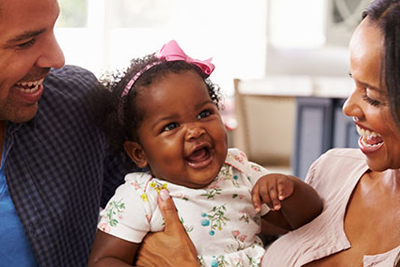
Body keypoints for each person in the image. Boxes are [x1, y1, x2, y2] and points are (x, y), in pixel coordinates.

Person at [133, 0, 400, 266]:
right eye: (352, 83)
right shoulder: (334, 169)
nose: (348, 107)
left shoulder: (238, 171)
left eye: (372, 97)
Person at [87, 40, 323, 267]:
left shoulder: (241, 173)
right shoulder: (141, 197)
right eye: (171, 126)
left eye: (204, 114)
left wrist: (290, 189)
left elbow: (307, 218)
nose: (195, 130)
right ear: (139, 153)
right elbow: (103, 260)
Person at [0, 0, 129, 266]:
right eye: (25, 43)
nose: (57, 59)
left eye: (51, 29)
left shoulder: (80, 104)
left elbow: (170, 207)